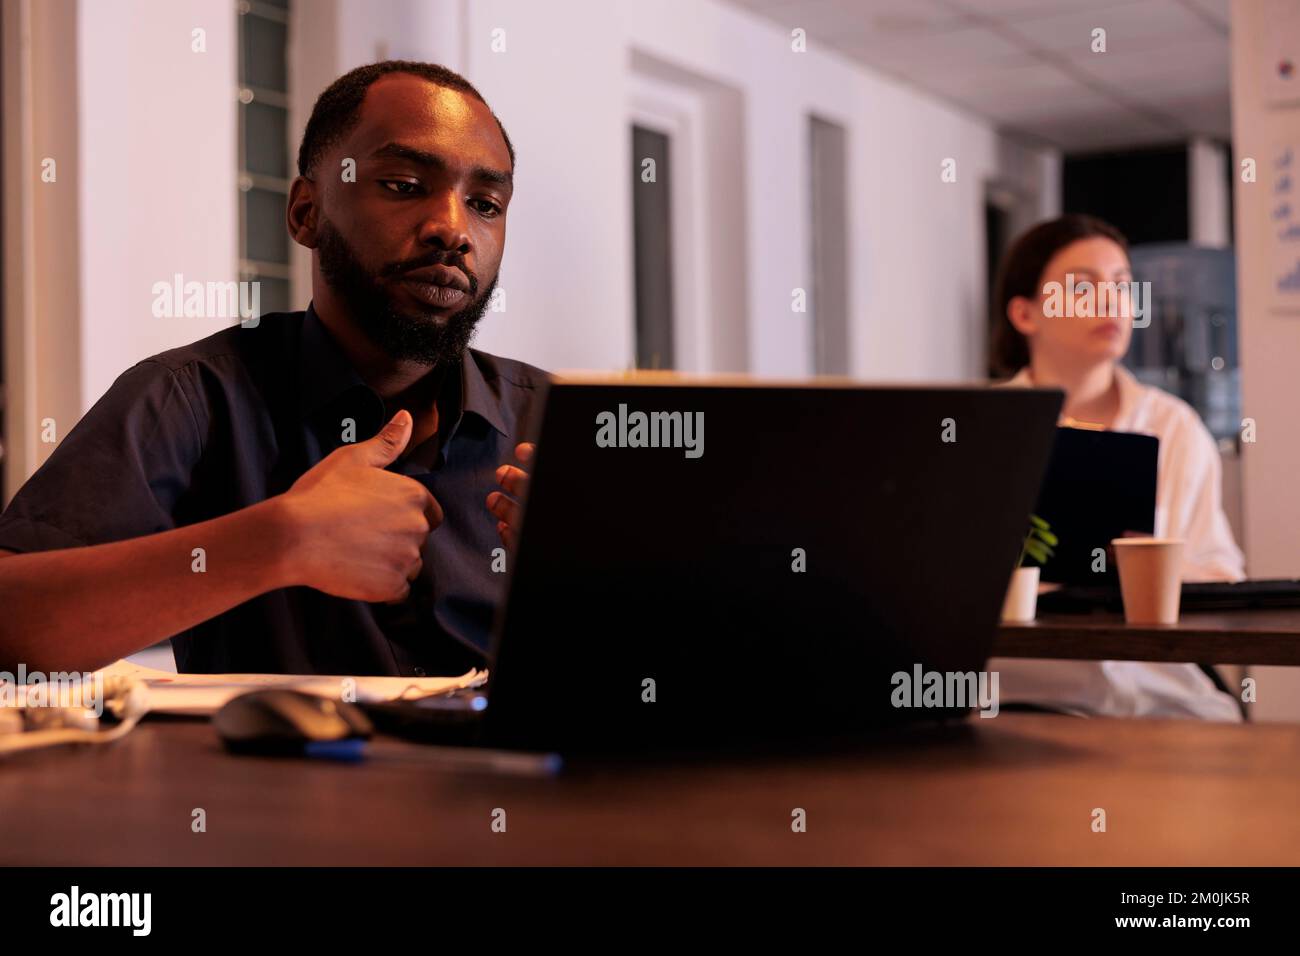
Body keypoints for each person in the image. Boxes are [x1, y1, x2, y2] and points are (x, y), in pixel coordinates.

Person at [0, 61, 542, 677]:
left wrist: (606, 587)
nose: (453, 229)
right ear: (306, 212)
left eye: (484, 203)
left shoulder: (556, 423)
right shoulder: (192, 399)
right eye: (403, 185)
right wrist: (278, 542)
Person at [987, 214, 1244, 720]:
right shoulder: (979, 432)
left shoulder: (1174, 427)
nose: (1111, 301)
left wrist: (1146, 577)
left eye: (1122, 286)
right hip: (1020, 691)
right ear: (1025, 314)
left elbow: (1220, 575)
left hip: (1157, 694)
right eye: (1082, 287)